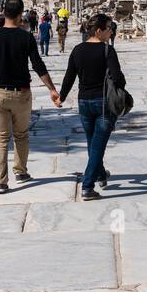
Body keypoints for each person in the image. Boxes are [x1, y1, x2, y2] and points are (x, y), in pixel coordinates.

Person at [0, 0, 60, 194]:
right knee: (21, 135)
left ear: (4, 12)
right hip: (21, 93)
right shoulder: (26, 37)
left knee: (1, 137)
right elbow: (37, 65)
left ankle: (0, 181)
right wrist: (51, 88)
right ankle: (21, 171)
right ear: (20, 14)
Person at [57, 13, 126, 200]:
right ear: (99, 31)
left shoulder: (77, 50)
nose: (111, 32)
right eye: (109, 28)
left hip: (84, 103)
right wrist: (120, 87)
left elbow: (69, 77)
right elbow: (118, 77)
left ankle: (101, 174)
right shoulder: (107, 51)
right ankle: (87, 186)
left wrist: (61, 97)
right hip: (103, 103)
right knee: (97, 147)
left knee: (93, 143)